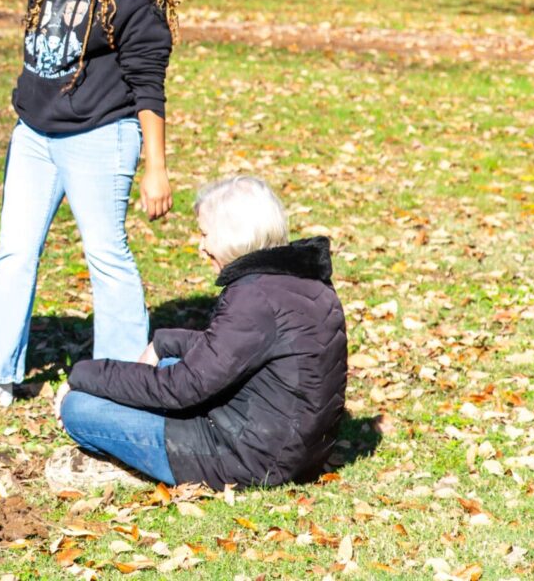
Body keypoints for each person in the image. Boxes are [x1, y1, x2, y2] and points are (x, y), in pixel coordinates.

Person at [0, 0, 179, 409]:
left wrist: (156, 167)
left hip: (99, 137)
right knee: (14, 252)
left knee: (106, 256)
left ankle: (121, 382)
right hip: (34, 137)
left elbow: (149, 87)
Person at [56, 176, 348, 489]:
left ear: (232, 236)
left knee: (79, 408)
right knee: (166, 365)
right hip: (296, 447)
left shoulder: (254, 296)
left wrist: (82, 376)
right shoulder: (305, 281)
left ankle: (137, 467)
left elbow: (182, 388)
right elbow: (231, 349)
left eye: (205, 234)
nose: (200, 245)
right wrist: (164, 343)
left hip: (248, 460)